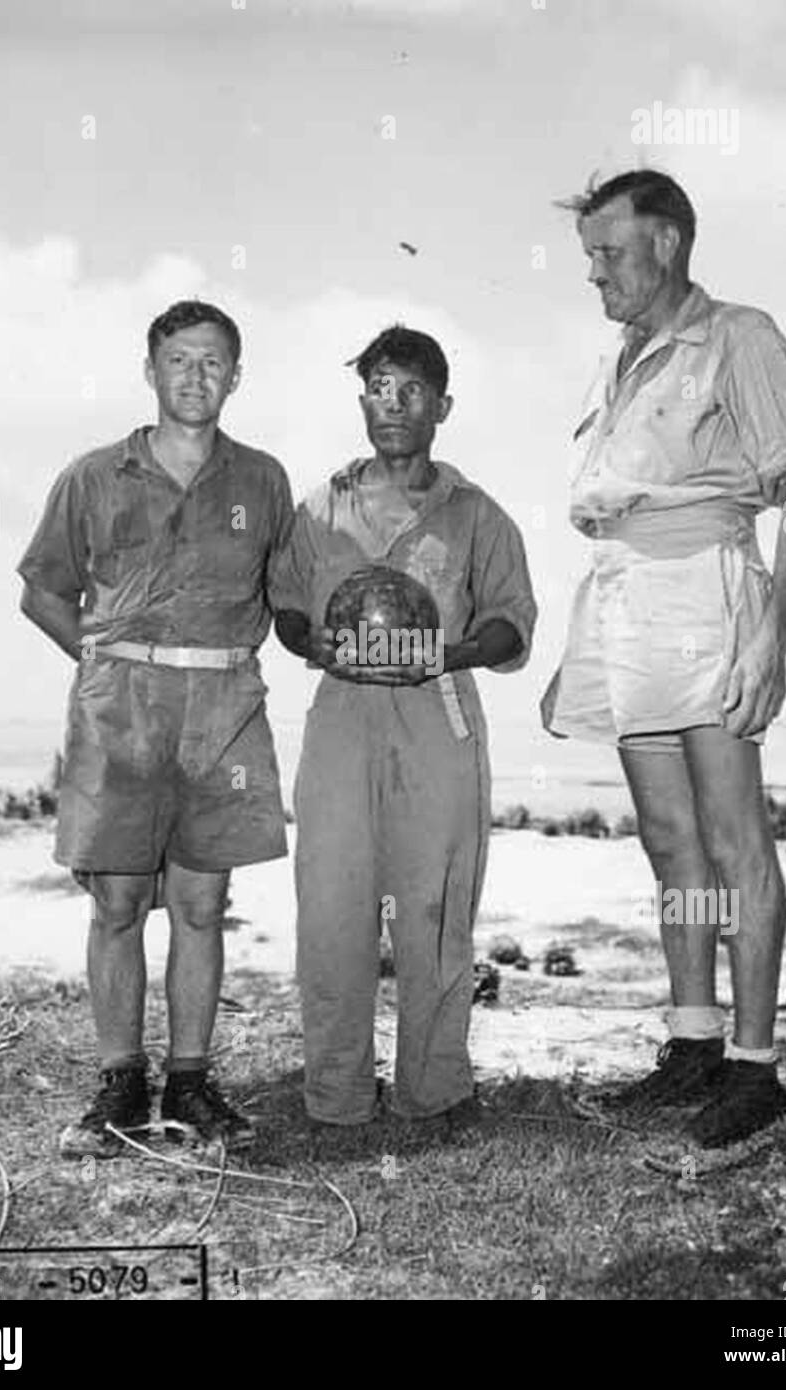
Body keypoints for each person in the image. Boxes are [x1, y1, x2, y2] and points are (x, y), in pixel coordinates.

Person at [542, 170, 786, 1148]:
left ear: (666, 245)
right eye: (590, 256)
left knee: (735, 835)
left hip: (708, 590)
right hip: (627, 603)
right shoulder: (618, 356)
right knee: (671, 842)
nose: (595, 275)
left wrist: (772, 633)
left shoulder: (740, 337)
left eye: (609, 253)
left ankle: (757, 1073)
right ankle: (695, 1043)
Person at [18, 299, 293, 1157]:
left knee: (205, 904)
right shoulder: (93, 474)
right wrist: (105, 667)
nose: (196, 377)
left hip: (223, 709)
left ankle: (191, 1080)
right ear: (150, 371)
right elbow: (43, 590)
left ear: (236, 377)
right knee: (119, 903)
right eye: (179, 361)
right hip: (121, 710)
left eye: (213, 362)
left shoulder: (263, 480)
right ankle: (118, 1084)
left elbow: (287, 599)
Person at [271, 326, 537, 1127]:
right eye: (380, 388)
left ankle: (434, 1089)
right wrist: (307, 639)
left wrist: (444, 653)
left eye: (413, 390)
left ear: (442, 407)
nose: (395, 404)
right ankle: (337, 1097)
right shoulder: (319, 507)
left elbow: (513, 626)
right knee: (330, 906)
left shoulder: (477, 515)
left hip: (439, 715)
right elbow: (283, 606)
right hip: (341, 720)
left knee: (436, 908)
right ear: (361, 403)